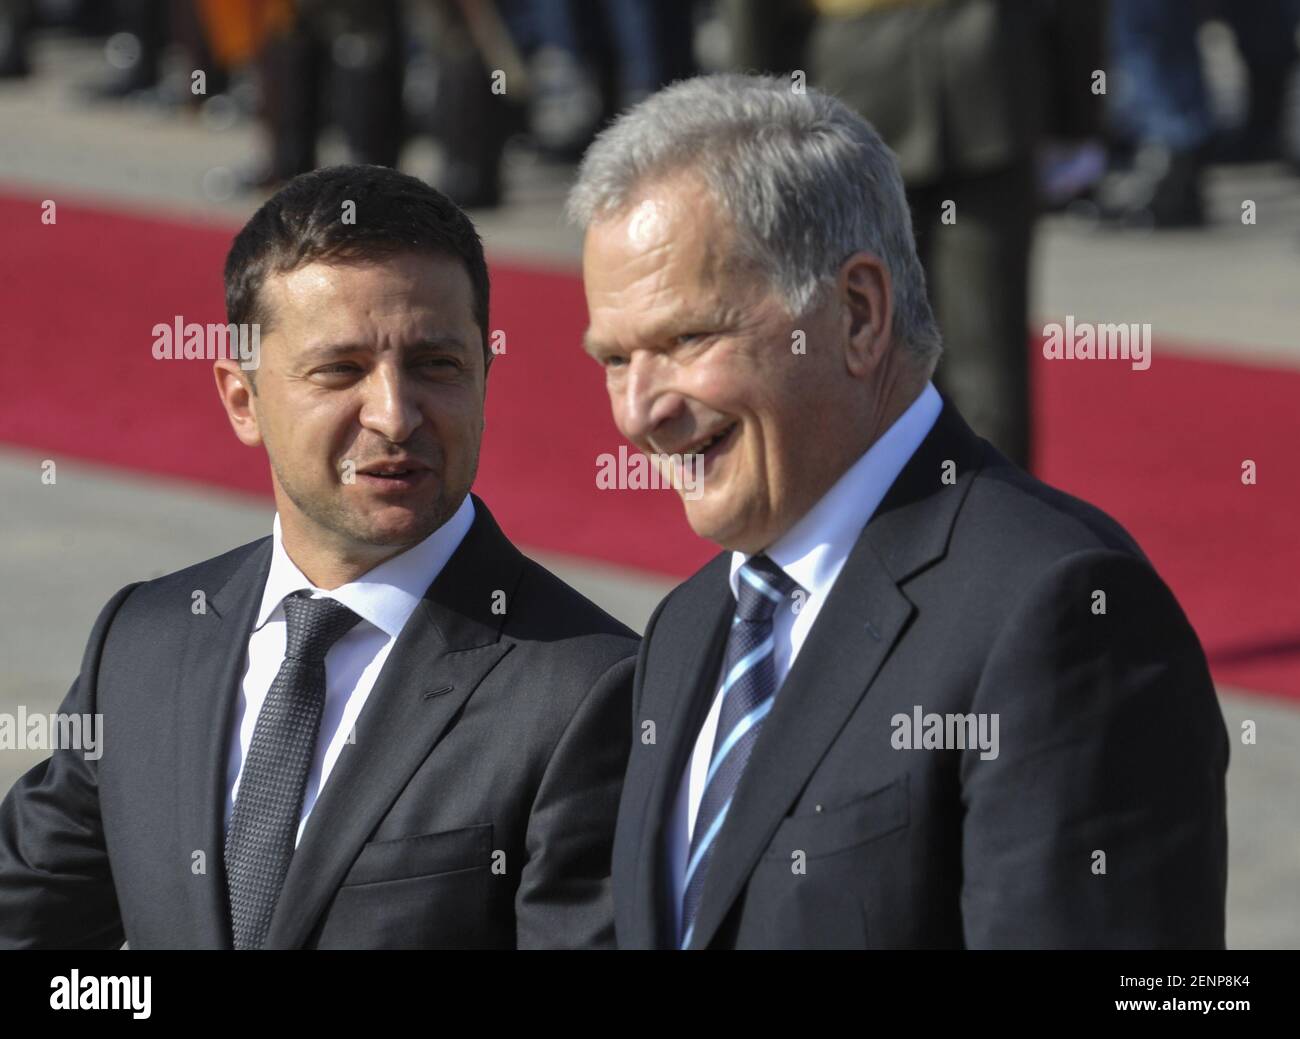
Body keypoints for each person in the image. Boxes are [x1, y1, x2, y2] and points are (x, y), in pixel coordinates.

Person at [567, 75, 1228, 949]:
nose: (639, 412)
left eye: (687, 339)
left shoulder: (1061, 613)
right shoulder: (690, 626)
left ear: (857, 314)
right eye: (615, 359)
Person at [0, 164, 636, 949]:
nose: (396, 415)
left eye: (437, 365)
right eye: (340, 370)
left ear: (484, 375)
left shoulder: (592, 690)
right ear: (243, 398)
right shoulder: (143, 644)